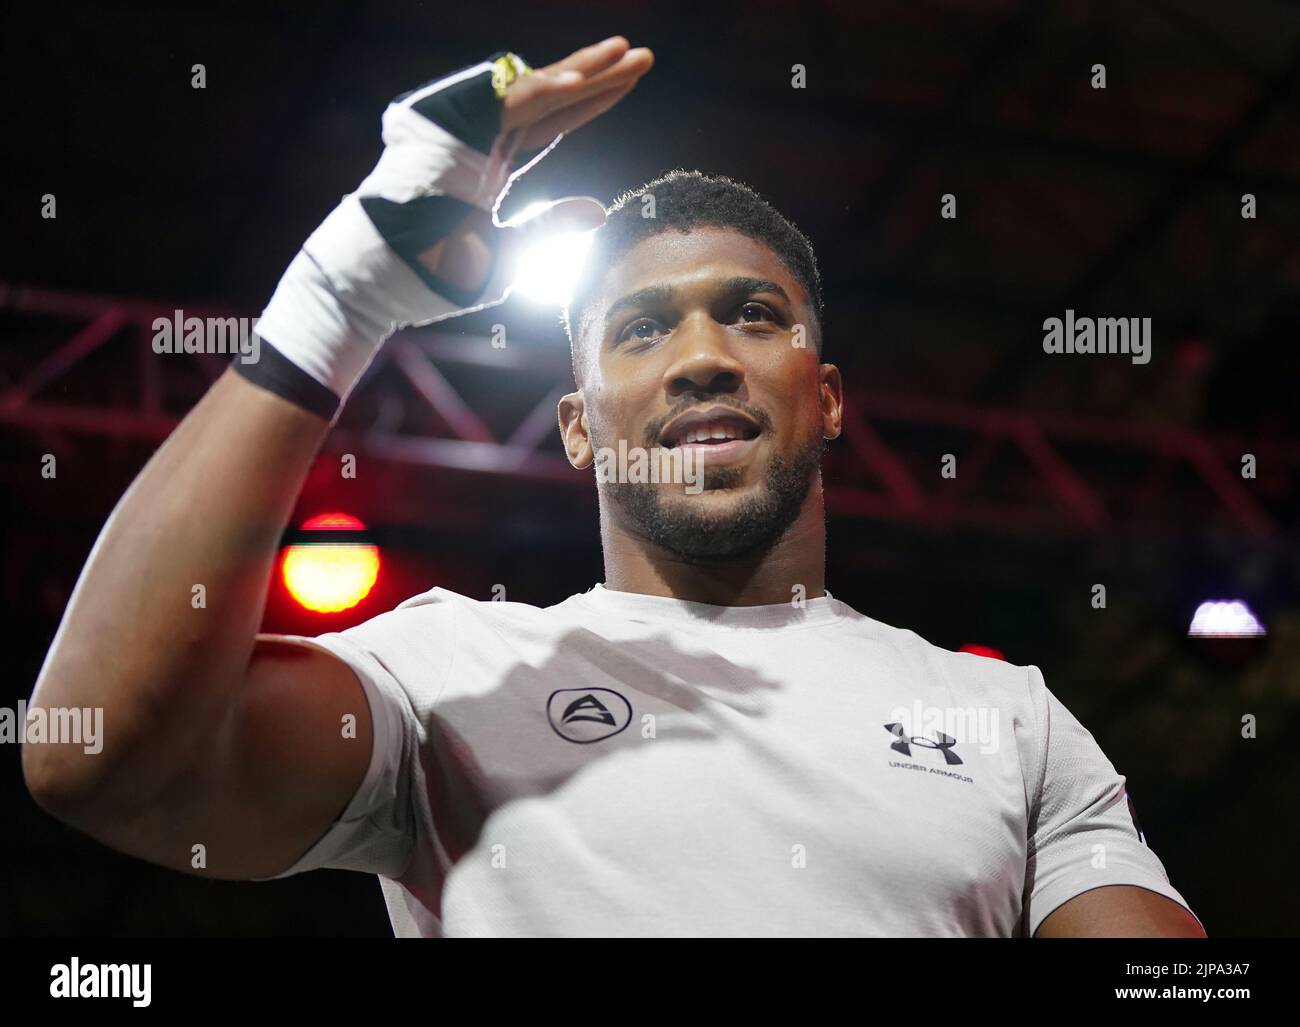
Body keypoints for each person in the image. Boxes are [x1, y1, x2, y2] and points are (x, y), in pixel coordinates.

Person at [23, 36, 1204, 938]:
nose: (701, 356)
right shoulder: (448, 672)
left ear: (829, 397)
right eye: (641, 330)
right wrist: (342, 297)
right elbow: (99, 761)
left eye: (753, 315)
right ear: (579, 432)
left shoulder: (1010, 720)